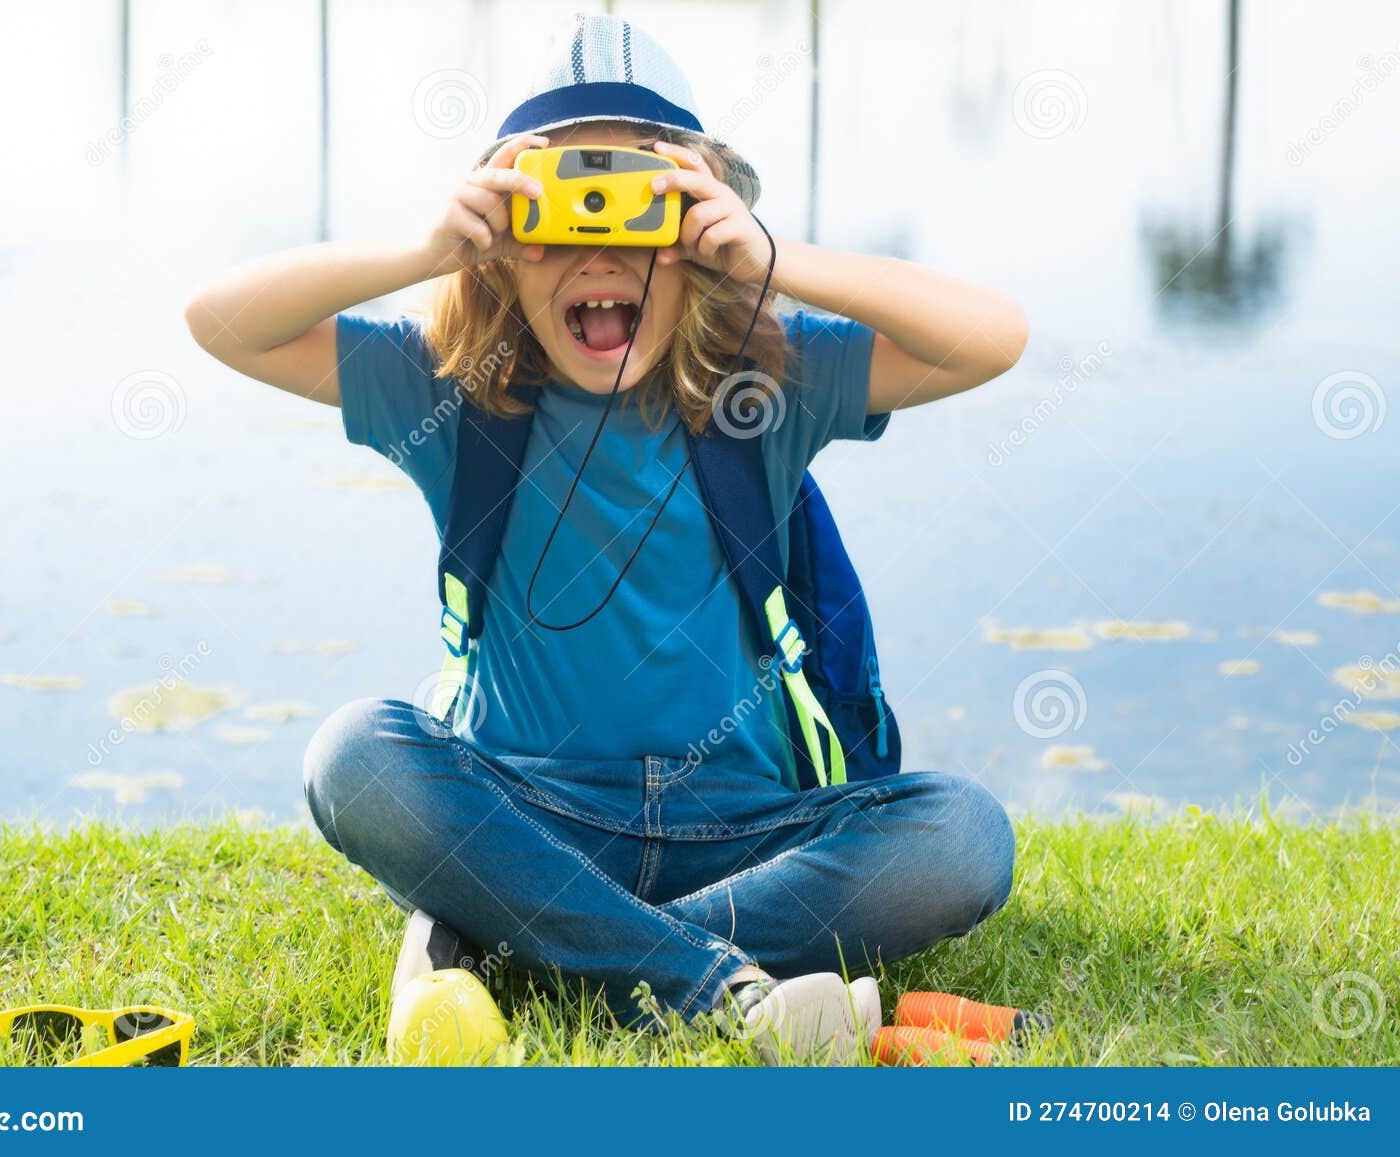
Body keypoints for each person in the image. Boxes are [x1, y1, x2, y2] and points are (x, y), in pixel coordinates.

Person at [185, 13, 1027, 1064]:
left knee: (963, 835)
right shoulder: (456, 393)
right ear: (498, 249)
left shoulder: (763, 381)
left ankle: (534, 942)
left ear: (701, 237)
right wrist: (420, 250)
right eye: (556, 212)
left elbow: (994, 337)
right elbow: (218, 320)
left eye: (642, 212)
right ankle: (714, 985)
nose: (599, 247)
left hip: (740, 827)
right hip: (526, 811)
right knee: (350, 754)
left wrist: (774, 258)